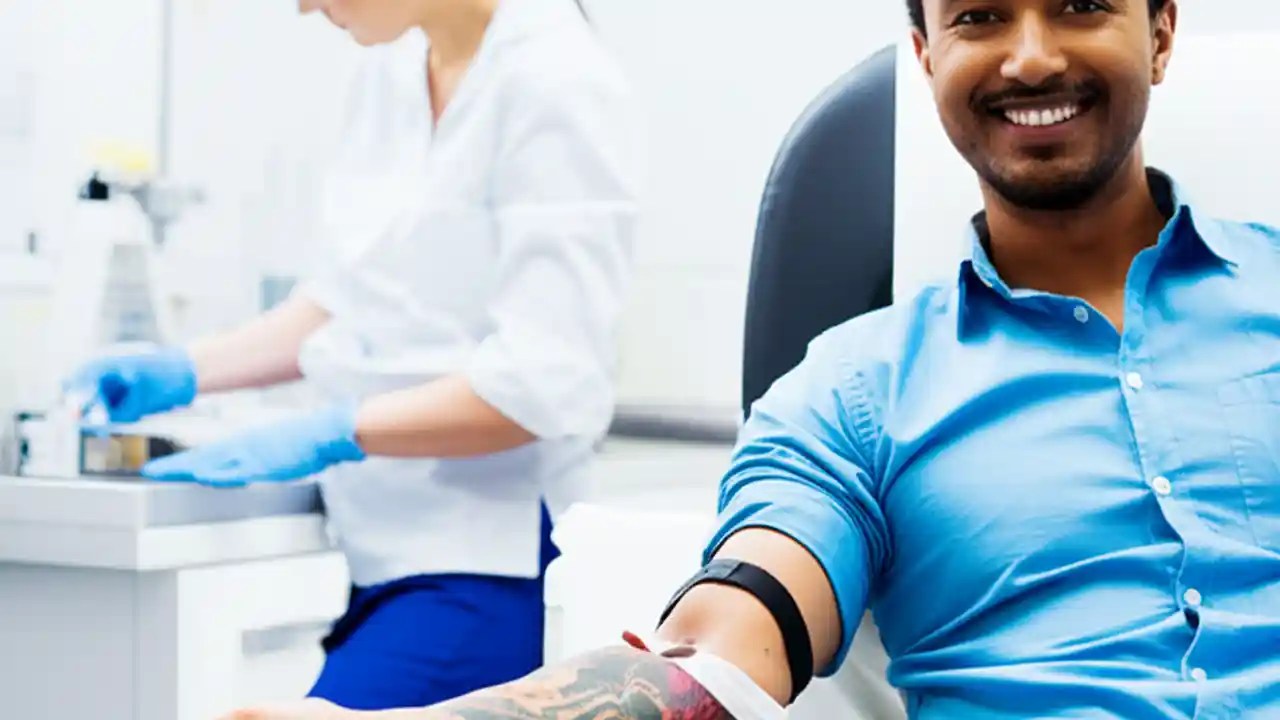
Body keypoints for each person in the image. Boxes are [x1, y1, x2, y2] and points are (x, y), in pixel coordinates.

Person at [222, 0, 1280, 718]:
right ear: (924, 59)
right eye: (976, 16)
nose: (1031, 53)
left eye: (1081, 1)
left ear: (1159, 33)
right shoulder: (850, 391)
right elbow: (726, 647)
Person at [67, 0, 637, 711]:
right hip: (380, 559)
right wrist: (187, 369)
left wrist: (335, 429)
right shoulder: (392, 69)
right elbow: (349, 299)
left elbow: (545, 384)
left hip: (490, 563)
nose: (303, 5)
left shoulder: (555, 78)